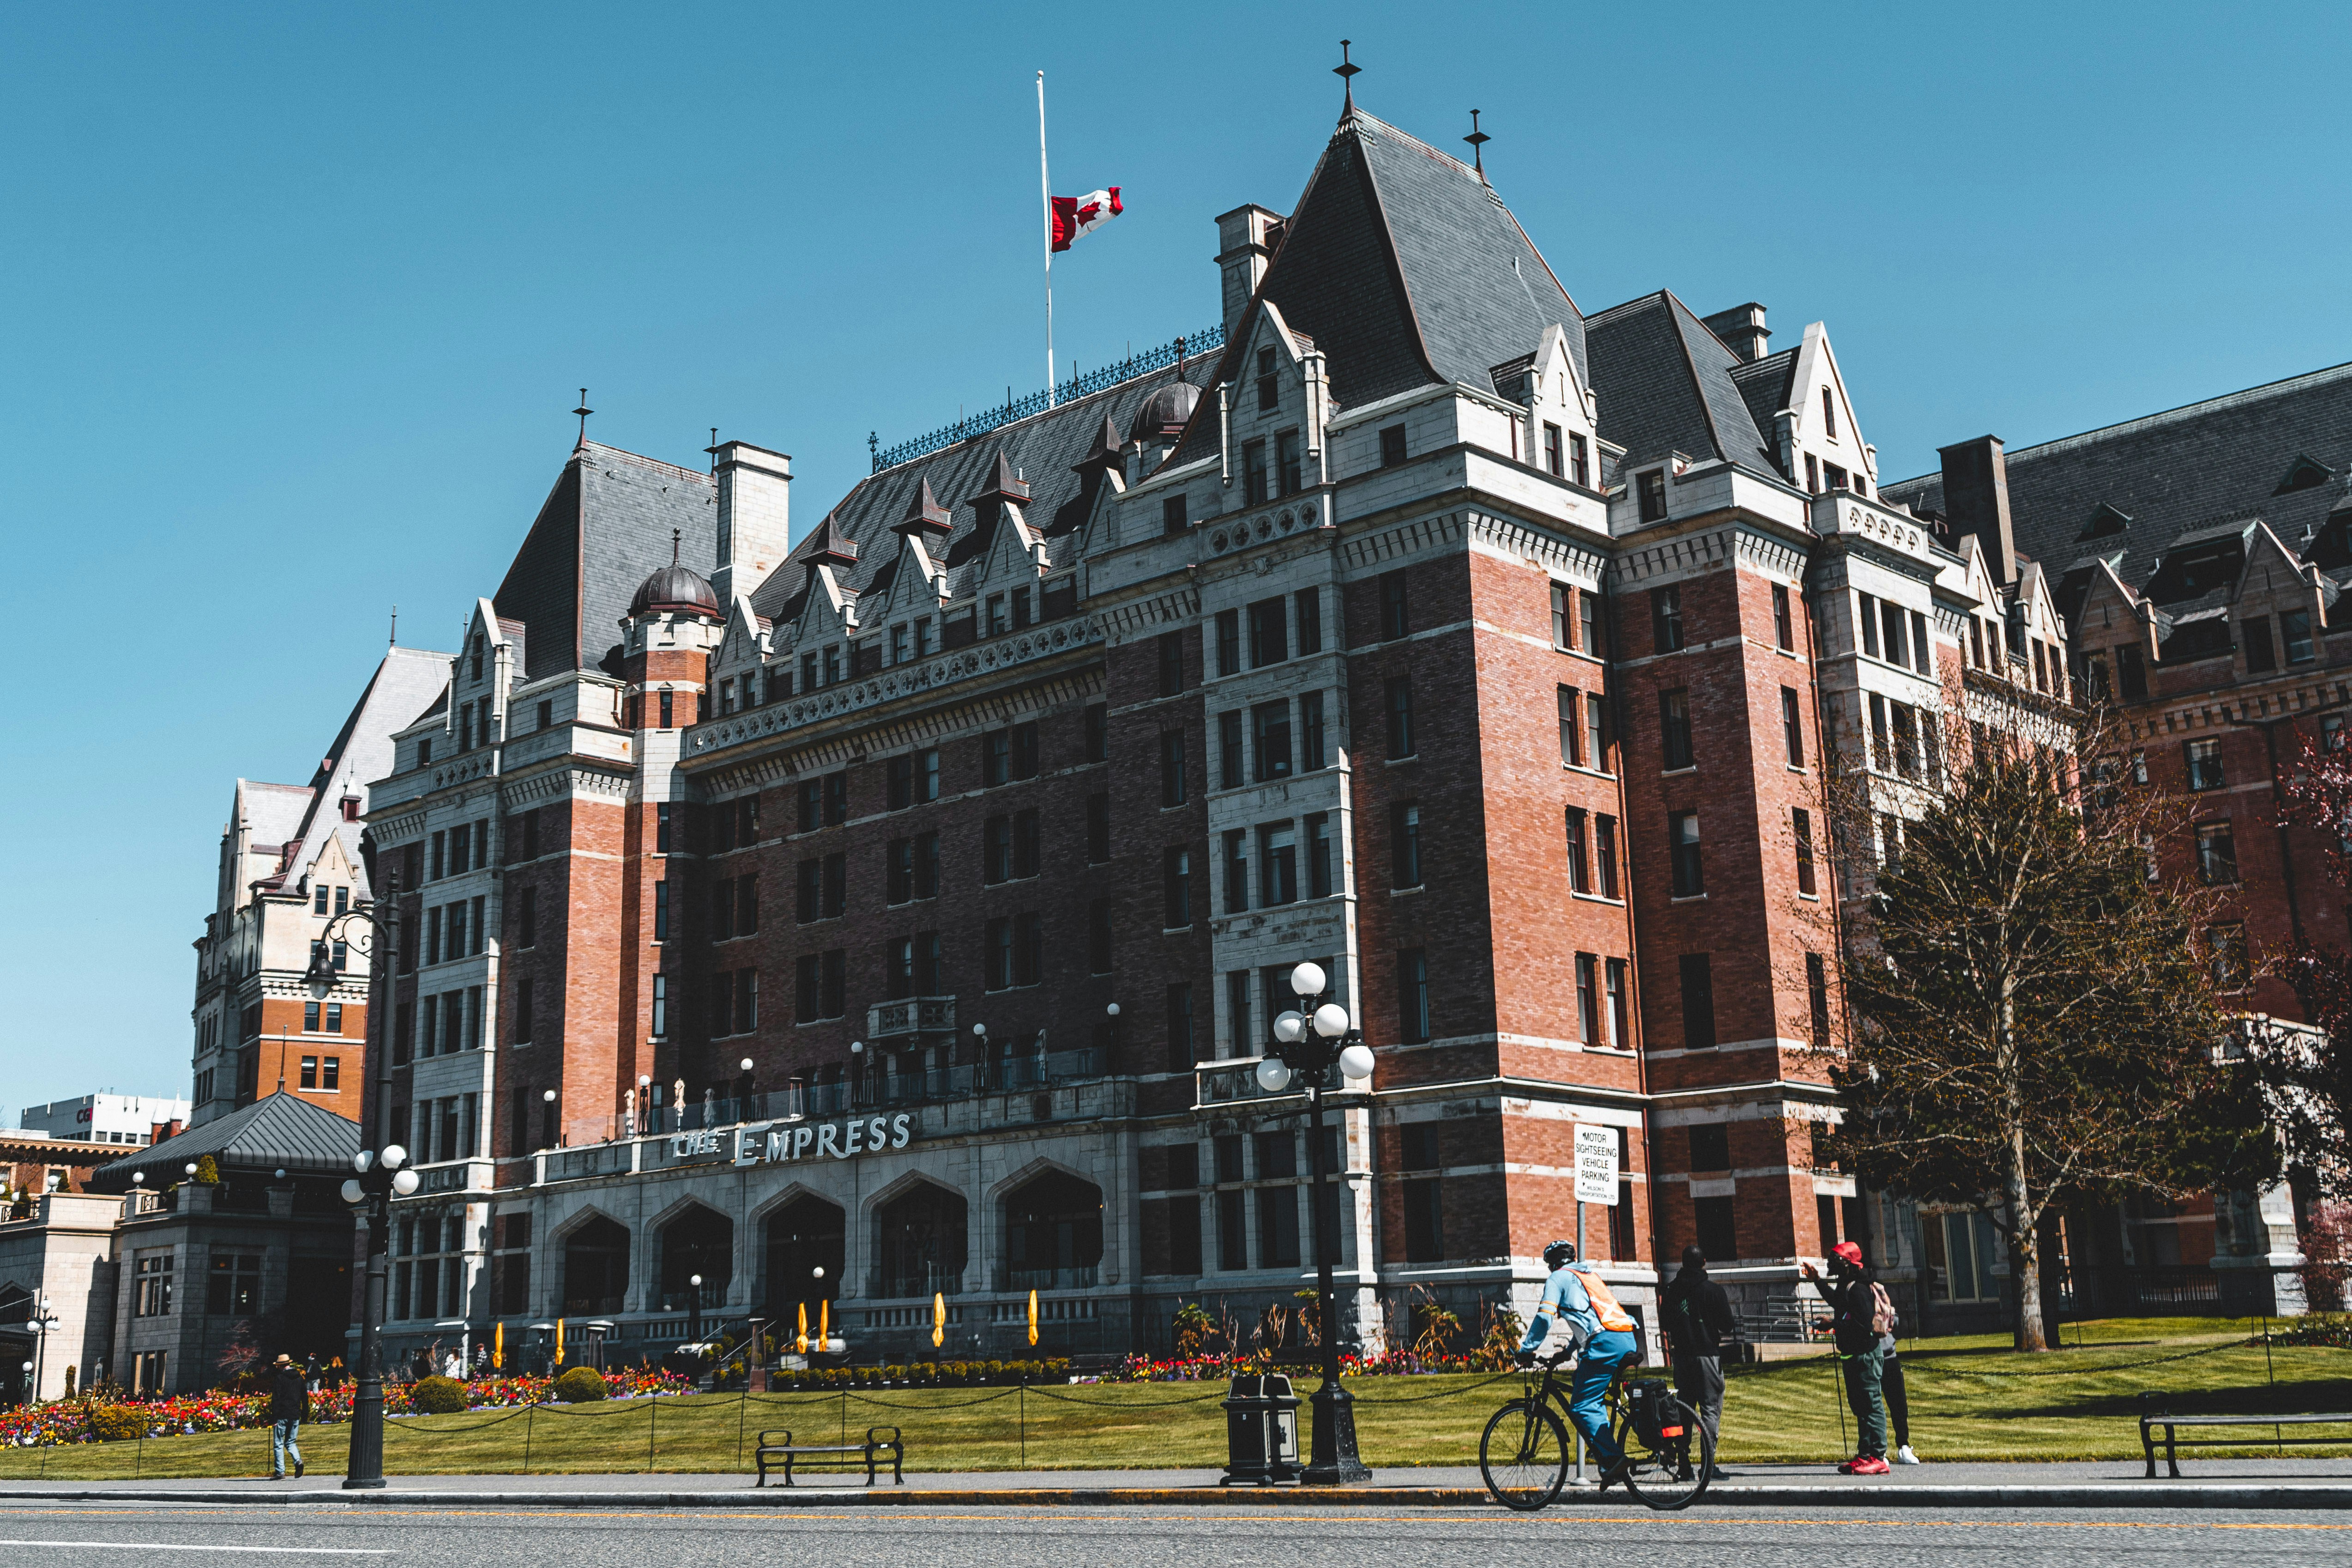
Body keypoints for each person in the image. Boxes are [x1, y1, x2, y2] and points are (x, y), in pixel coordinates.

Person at [1514, 1240, 1641, 1488]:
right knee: (1582, 1386)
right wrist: (1568, 1352)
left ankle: (1612, 1457)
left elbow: (1544, 1316)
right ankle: (1605, 1453)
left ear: (1552, 1264)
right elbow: (1593, 1317)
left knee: (1581, 1405)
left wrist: (1526, 1350)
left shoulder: (1558, 1279)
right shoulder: (1588, 1276)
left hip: (1605, 1343)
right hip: (1626, 1337)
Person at [1801, 1240, 1889, 1475]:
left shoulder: (1859, 1288)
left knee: (1871, 1406)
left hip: (1865, 1356)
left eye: (1836, 1259)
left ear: (1849, 1263)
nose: (1832, 1263)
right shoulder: (1847, 1284)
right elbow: (1837, 1303)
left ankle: (1878, 1457)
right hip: (1853, 1355)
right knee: (1861, 1408)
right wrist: (1818, 1281)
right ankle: (1864, 1456)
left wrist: (1833, 1324)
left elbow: (1864, 1326)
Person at [1660, 1244, 1738, 1477]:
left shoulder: (1672, 1290)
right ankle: (1708, 1465)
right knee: (1710, 1410)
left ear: (1683, 1263)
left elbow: (1665, 1325)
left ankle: (1685, 1465)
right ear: (1704, 1262)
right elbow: (1727, 1325)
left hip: (1682, 1357)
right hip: (1707, 1355)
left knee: (1684, 1410)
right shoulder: (1712, 1291)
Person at [1881, 1301, 1918, 1464]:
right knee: (1874, 1409)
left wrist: (1888, 1317)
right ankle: (1877, 1451)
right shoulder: (1854, 1292)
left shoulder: (1878, 1291)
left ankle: (1903, 1446)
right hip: (1870, 1357)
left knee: (1899, 1405)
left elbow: (1894, 1320)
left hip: (1890, 1357)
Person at [267, 1353, 308, 1479]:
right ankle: (298, 1461)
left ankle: (280, 1472)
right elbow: (305, 1398)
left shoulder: (280, 1378)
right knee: (291, 1442)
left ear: (280, 1366)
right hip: (295, 1414)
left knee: (279, 1444)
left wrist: (274, 1418)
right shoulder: (299, 1378)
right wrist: (305, 1416)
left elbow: (276, 1399)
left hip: (282, 1414)